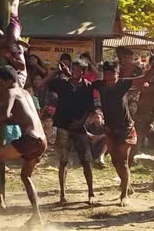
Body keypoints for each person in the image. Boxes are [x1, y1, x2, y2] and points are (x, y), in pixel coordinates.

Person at [0, 66, 46, 224]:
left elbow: (6, 114)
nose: (0, 87)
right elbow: (17, 119)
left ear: (10, 81)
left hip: (30, 139)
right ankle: (37, 215)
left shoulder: (11, 92)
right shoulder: (26, 93)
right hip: (41, 140)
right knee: (26, 176)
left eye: (1, 83)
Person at [90, 60, 154, 206]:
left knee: (123, 162)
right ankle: (128, 186)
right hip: (110, 129)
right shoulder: (100, 84)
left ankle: (124, 195)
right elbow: (85, 85)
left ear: (118, 74)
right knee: (114, 161)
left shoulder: (123, 83)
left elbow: (144, 79)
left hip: (125, 128)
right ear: (104, 74)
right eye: (107, 74)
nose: (110, 77)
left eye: (112, 74)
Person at [38, 57, 96, 205]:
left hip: (80, 127)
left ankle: (91, 192)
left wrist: (80, 122)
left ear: (83, 72)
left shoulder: (88, 86)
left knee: (86, 161)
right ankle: (62, 195)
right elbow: (43, 83)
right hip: (63, 126)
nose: (75, 72)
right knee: (63, 161)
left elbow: (90, 107)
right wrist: (58, 70)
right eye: (73, 69)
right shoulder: (62, 83)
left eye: (78, 70)